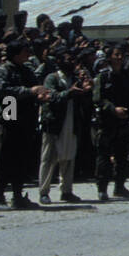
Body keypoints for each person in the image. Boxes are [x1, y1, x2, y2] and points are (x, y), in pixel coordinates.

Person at [0, 40, 50, 210]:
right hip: (9, 116)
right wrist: (29, 91)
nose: (28, 54)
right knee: (4, 157)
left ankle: (18, 195)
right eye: (25, 51)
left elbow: (35, 88)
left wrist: (39, 96)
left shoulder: (26, 70)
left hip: (25, 119)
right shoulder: (3, 70)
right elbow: (4, 92)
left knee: (21, 158)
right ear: (16, 53)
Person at [38, 50, 91, 204]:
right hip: (54, 124)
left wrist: (86, 91)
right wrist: (69, 92)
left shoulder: (75, 79)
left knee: (68, 158)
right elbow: (51, 97)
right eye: (68, 59)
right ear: (60, 62)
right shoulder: (52, 78)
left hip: (71, 123)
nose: (72, 62)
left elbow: (84, 102)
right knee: (48, 159)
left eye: (73, 59)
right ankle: (44, 191)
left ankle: (66, 191)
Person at [92, 45, 129, 201]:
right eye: (116, 55)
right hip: (107, 122)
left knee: (122, 157)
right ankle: (102, 188)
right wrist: (113, 109)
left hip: (123, 122)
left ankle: (120, 187)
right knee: (104, 157)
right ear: (109, 57)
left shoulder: (126, 76)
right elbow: (98, 99)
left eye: (122, 55)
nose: (120, 58)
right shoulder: (103, 77)